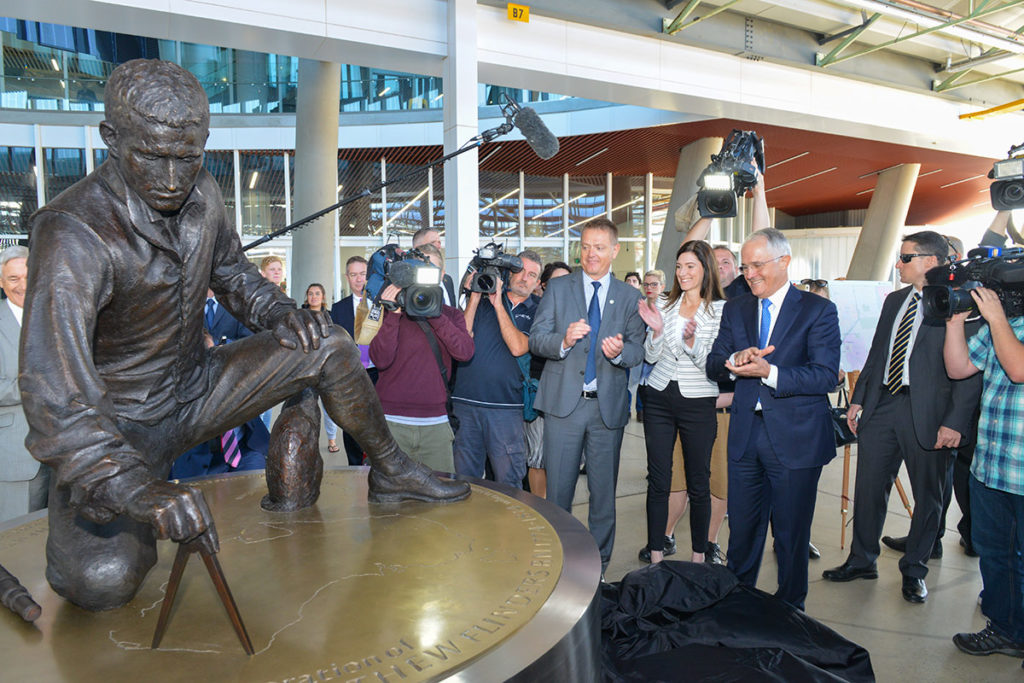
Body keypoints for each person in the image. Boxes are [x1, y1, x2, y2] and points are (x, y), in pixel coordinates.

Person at [19, 59, 468, 612]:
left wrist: (282, 314)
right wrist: (133, 488)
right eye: (152, 156)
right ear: (111, 138)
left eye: (188, 157)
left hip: (198, 389)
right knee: (102, 583)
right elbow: (52, 390)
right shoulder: (71, 231)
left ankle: (392, 470)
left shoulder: (203, 191)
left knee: (327, 343)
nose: (172, 178)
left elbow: (233, 274)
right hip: (122, 425)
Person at [823, 231, 980, 604]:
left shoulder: (959, 302)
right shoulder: (896, 300)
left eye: (906, 258)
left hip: (932, 414)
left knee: (929, 496)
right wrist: (859, 400)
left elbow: (971, 370)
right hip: (883, 404)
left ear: (931, 261)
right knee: (869, 487)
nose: (898, 264)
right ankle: (862, 560)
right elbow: (878, 353)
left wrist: (955, 422)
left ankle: (914, 570)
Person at [707, 228, 840, 610]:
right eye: (745, 267)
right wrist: (734, 361)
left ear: (784, 262)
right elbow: (714, 363)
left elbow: (825, 376)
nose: (749, 274)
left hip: (797, 439)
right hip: (745, 435)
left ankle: (790, 613)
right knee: (742, 534)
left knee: (790, 536)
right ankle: (737, 608)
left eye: (757, 265)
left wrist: (771, 372)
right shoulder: (736, 308)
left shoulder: (817, 310)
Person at [530, 218, 646, 574]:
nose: (590, 254)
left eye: (599, 247)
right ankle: (559, 565)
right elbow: (537, 339)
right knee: (558, 494)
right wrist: (563, 341)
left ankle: (599, 568)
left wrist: (620, 353)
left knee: (603, 496)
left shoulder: (630, 297)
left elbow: (638, 350)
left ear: (615, 250)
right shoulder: (558, 288)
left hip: (606, 410)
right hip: (563, 408)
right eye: (585, 246)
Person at [944, 286, 1024, 662]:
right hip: (991, 467)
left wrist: (995, 319)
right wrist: (954, 323)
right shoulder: (1005, 324)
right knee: (995, 554)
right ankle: (1005, 629)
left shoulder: (1001, 324)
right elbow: (958, 368)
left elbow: (1018, 369)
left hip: (1021, 472)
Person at [637, 241, 724, 564]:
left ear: (705, 269)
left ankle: (698, 558)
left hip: (698, 400)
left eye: (690, 266)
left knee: (699, 482)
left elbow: (712, 365)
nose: (683, 273)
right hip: (658, 396)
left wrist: (691, 342)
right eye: (679, 267)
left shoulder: (719, 310)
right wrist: (657, 332)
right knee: (658, 479)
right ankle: (656, 557)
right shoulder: (664, 303)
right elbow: (650, 356)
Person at [370, 245, 473, 473]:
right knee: (390, 491)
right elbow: (380, 360)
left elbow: (465, 352)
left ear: (442, 275)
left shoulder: (451, 315)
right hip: (391, 422)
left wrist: (434, 313)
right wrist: (393, 315)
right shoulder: (391, 311)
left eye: (430, 268)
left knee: (439, 491)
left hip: (435, 424)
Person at [452, 250, 543, 488]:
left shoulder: (539, 310)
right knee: (464, 480)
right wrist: (474, 297)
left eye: (532, 275)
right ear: (509, 273)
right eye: (520, 271)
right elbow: (461, 339)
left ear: (537, 283)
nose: (524, 278)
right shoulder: (481, 300)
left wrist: (498, 304)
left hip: (506, 408)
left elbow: (518, 347)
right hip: (465, 403)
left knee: (508, 481)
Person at [0, 246, 49, 523]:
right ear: (1, 282)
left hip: (62, 453)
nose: (23, 285)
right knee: (15, 537)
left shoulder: (56, 317)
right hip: (16, 454)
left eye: (29, 276)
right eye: (13, 278)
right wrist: (38, 385)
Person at [525, 261, 572, 498]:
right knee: (538, 457)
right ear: (543, 285)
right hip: (540, 396)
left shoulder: (579, 315)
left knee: (564, 460)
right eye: (556, 282)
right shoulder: (533, 313)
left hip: (568, 398)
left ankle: (557, 510)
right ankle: (541, 509)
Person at [330, 255, 376, 465]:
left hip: (379, 374)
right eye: (354, 275)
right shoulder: (338, 309)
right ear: (347, 277)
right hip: (351, 376)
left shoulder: (382, 306)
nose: (359, 279)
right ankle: (355, 468)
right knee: (352, 426)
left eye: (363, 274)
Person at [303, 282, 340, 454]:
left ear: (323, 296)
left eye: (317, 293)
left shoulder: (331, 317)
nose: (314, 297)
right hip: (307, 367)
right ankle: (308, 442)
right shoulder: (301, 316)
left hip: (326, 367)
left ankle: (332, 440)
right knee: (306, 406)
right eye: (311, 293)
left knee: (328, 407)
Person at [411, 227, 457, 305]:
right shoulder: (406, 282)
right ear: (417, 247)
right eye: (432, 243)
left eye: (439, 242)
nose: (438, 246)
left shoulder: (447, 280)